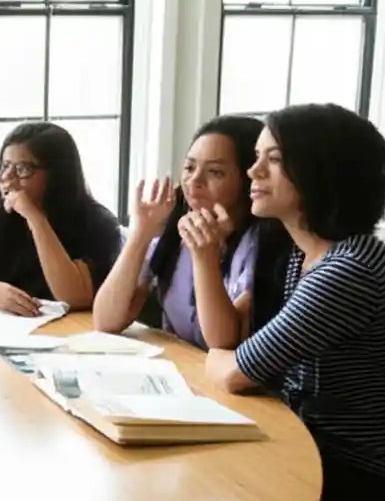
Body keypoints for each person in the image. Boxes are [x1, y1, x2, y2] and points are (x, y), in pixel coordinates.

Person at [206, 103, 385, 501]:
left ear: (320, 173)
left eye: (274, 160)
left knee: (219, 481)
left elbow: (236, 370)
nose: (253, 172)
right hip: (331, 446)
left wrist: (216, 357)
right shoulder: (306, 256)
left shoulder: (349, 270)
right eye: (256, 158)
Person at [93, 115, 291, 349]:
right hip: (180, 368)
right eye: (189, 167)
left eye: (215, 172)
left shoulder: (262, 243)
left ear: (247, 179)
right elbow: (106, 320)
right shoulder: (175, 230)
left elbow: (223, 342)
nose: (194, 181)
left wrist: (205, 257)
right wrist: (141, 233)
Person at [0, 122, 123, 315]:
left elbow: (74, 297)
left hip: (70, 329)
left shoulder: (98, 223)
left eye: (22, 169)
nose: (7, 177)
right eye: (5, 166)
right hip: (4, 322)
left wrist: (35, 219)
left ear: (57, 175)